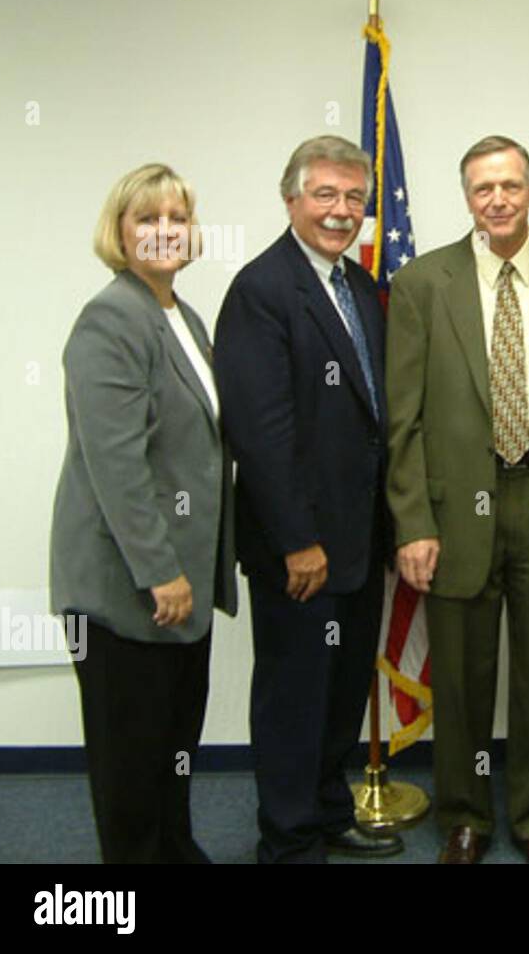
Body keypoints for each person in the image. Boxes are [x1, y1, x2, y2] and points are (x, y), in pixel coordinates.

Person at [386, 135, 529, 864]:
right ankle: (465, 815)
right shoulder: (423, 282)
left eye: (511, 185)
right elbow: (404, 418)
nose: (499, 199)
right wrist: (412, 521)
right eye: (484, 188)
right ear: (467, 197)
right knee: (461, 674)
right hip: (455, 510)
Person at [213, 135, 400, 863]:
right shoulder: (262, 289)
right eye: (325, 194)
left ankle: (327, 810)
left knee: (342, 691)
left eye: (355, 197)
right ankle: (288, 839)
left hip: (359, 540)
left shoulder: (358, 287)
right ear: (291, 198)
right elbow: (260, 431)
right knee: (294, 698)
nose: (341, 210)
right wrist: (298, 539)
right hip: (303, 548)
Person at [51, 163, 237, 863]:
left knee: (172, 746)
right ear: (119, 233)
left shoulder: (179, 314)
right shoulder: (111, 317)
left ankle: (176, 851)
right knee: (131, 765)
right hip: (124, 588)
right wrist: (161, 570)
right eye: (148, 219)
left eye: (177, 219)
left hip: (176, 582)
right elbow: (117, 465)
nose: (165, 232)